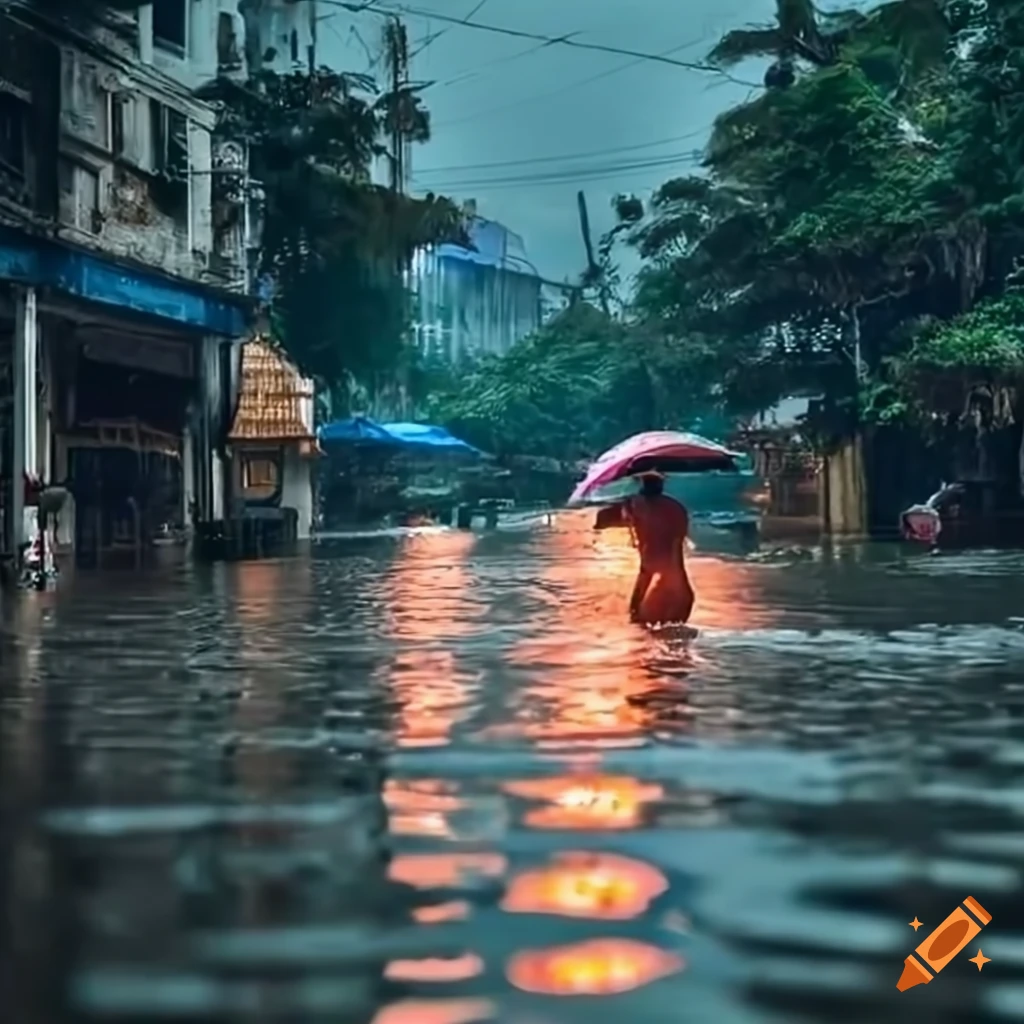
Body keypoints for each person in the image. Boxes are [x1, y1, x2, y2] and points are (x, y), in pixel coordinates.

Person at [624, 472, 694, 625]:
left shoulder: (635, 505)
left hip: (649, 561)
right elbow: (678, 541)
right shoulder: (675, 507)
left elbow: (631, 522)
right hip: (668, 561)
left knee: (636, 613)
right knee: (678, 614)